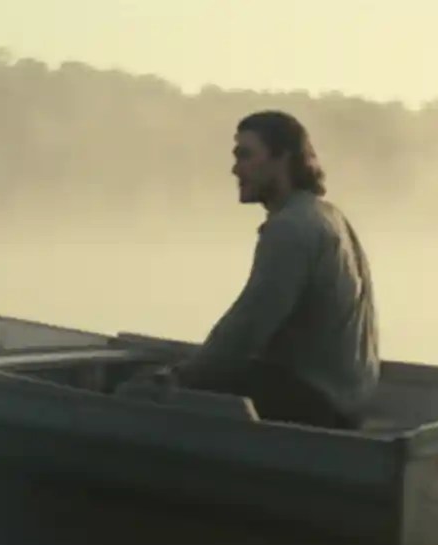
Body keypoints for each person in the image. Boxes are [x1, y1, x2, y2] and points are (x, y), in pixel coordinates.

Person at [151, 110, 380, 429]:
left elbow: (249, 325)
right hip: (349, 399)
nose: (235, 168)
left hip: (318, 405)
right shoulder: (329, 216)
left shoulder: (291, 228)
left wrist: (181, 375)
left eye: (245, 155)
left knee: (154, 390)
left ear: (282, 159)